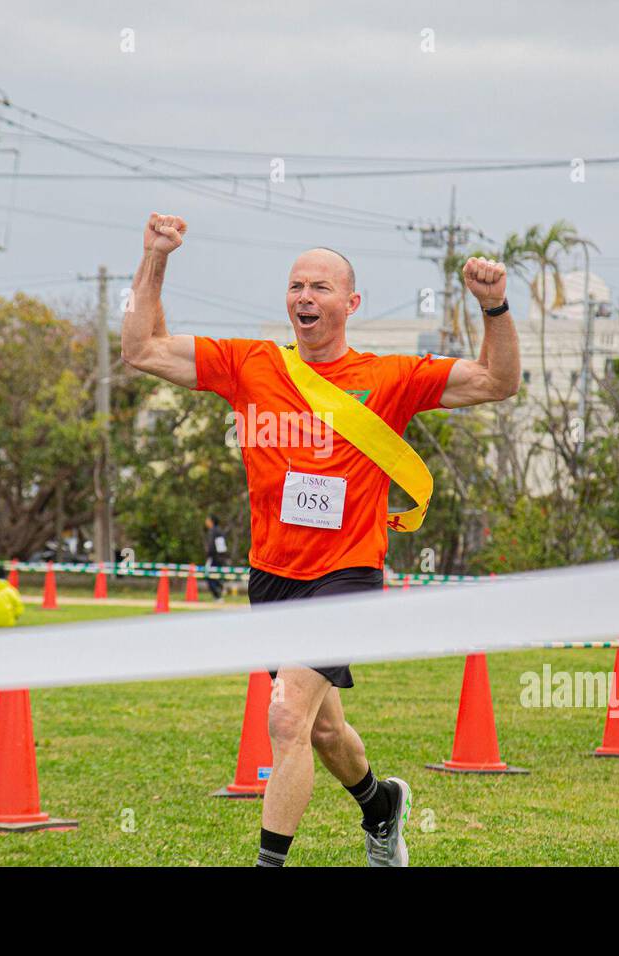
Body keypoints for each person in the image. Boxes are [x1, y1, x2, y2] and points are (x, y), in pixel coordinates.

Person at [121, 213, 520, 867]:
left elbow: (498, 381)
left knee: (285, 717)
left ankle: (268, 863)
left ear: (350, 303)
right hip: (273, 575)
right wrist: (154, 256)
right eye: (296, 286)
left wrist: (495, 307)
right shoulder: (249, 365)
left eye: (321, 288)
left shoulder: (388, 377)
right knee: (325, 728)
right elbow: (142, 348)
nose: (305, 297)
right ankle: (380, 806)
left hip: (348, 574)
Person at [203, 515, 229, 601]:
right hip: (219, 558)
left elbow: (213, 547)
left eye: (207, 520)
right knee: (216, 575)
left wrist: (209, 555)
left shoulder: (213, 531)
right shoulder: (219, 531)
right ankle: (219, 592)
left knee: (208, 575)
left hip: (214, 558)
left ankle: (217, 595)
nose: (206, 522)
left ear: (211, 521)